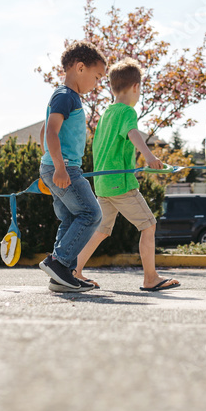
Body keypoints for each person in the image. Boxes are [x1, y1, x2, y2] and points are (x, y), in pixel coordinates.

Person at [72, 58, 180, 292]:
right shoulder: (127, 112)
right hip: (120, 184)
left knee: (101, 230)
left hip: (101, 184)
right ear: (136, 87)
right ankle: (150, 278)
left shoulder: (106, 114)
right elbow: (133, 133)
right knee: (148, 225)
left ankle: (74, 270)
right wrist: (150, 157)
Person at [37, 41, 107, 293]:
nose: (97, 83)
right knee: (91, 213)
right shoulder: (66, 96)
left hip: (58, 167)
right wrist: (59, 167)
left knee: (71, 217)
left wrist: (49, 165)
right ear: (80, 68)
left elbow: (45, 130)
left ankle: (61, 276)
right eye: (97, 76)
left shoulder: (65, 97)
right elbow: (52, 133)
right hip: (64, 169)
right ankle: (58, 263)